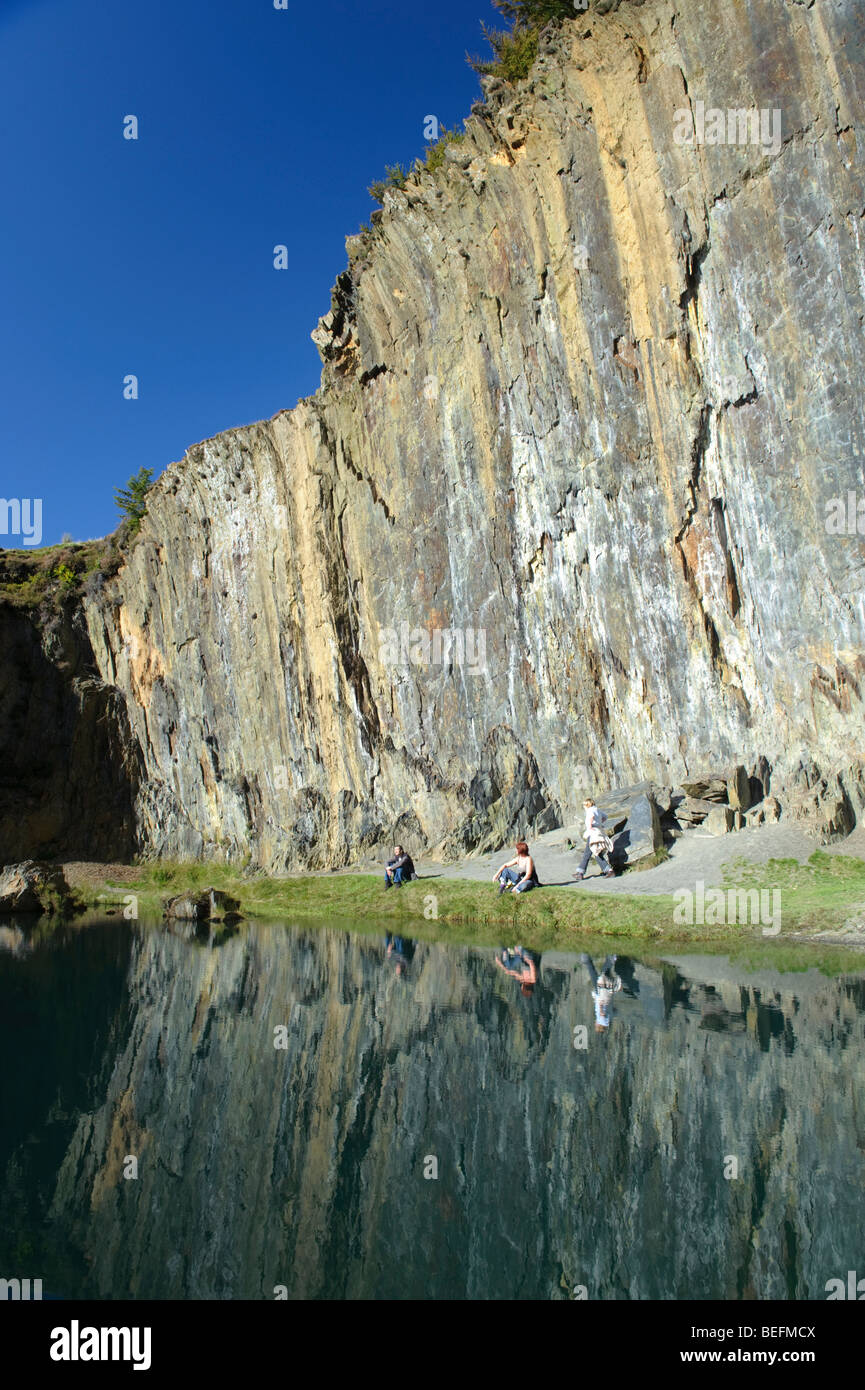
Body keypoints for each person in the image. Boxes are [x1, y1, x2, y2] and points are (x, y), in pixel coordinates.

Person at [573, 798, 614, 880]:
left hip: (593, 833)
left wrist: (590, 827)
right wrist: (599, 823)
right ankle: (608, 871)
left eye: (584, 805)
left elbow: (590, 818)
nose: (584, 807)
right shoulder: (597, 810)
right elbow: (605, 817)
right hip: (599, 831)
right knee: (596, 852)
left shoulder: (590, 811)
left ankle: (580, 873)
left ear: (588, 804)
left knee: (588, 853)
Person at [580, 952, 622, 1030]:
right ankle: (587, 959)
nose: (594, 1023)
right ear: (598, 1025)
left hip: (608, 993)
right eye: (595, 1025)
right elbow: (602, 1014)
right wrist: (601, 1007)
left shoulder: (610, 1017)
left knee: (603, 974)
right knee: (595, 975)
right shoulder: (601, 1019)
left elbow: (616, 1011)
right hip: (601, 995)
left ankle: (610, 959)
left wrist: (611, 1008)